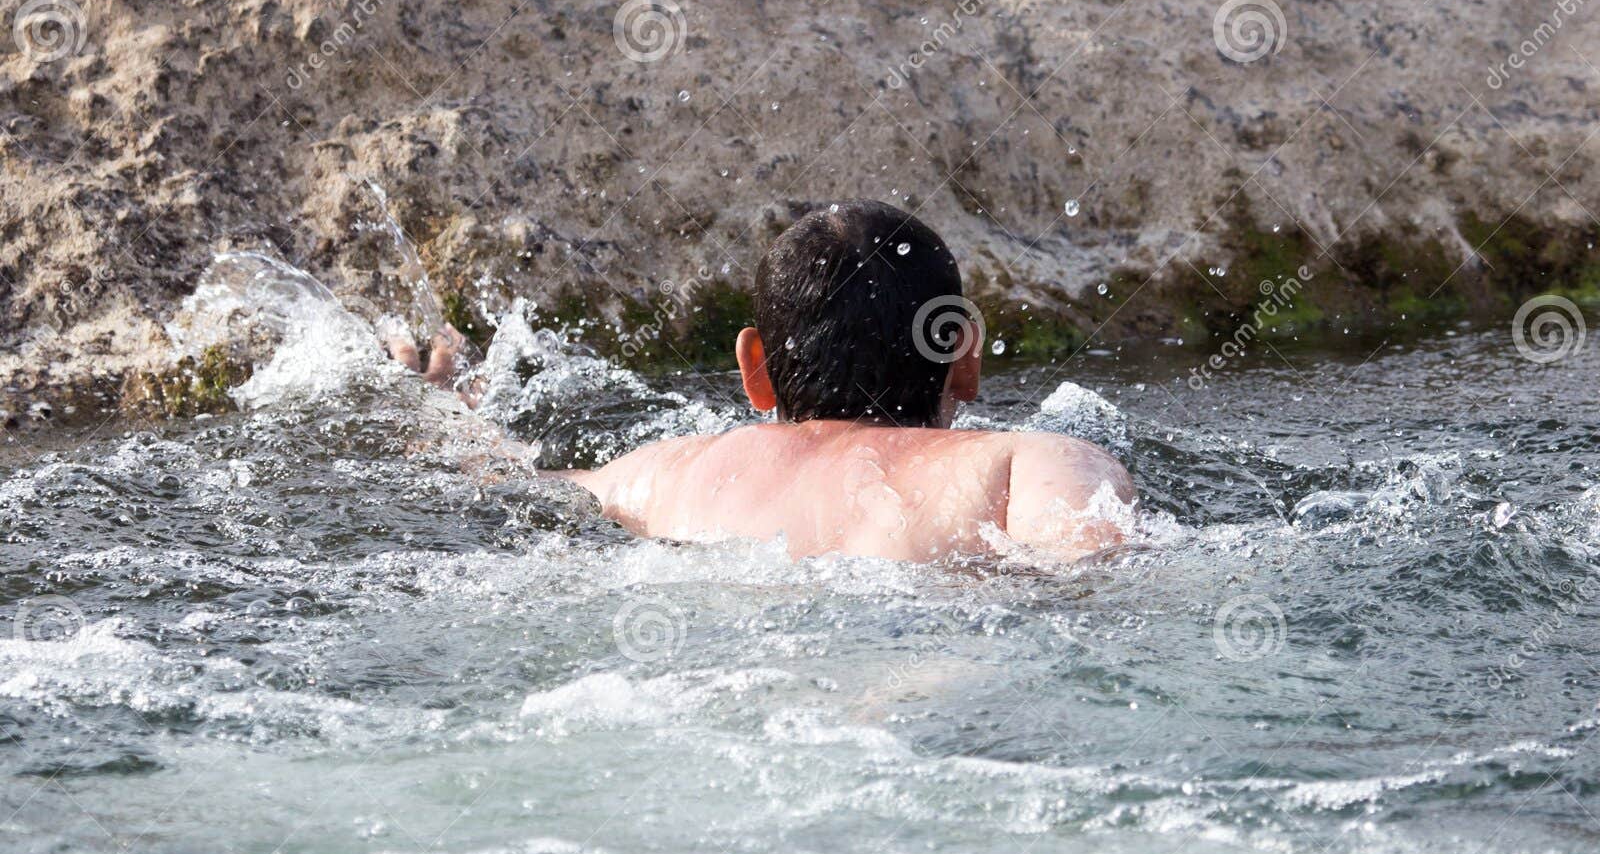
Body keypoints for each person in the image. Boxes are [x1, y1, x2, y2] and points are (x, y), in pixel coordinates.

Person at [390, 200, 1134, 563]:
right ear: (963, 352)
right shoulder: (1026, 463)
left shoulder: (666, 473)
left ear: (754, 368)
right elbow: (1093, 587)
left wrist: (433, 410)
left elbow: (505, 482)